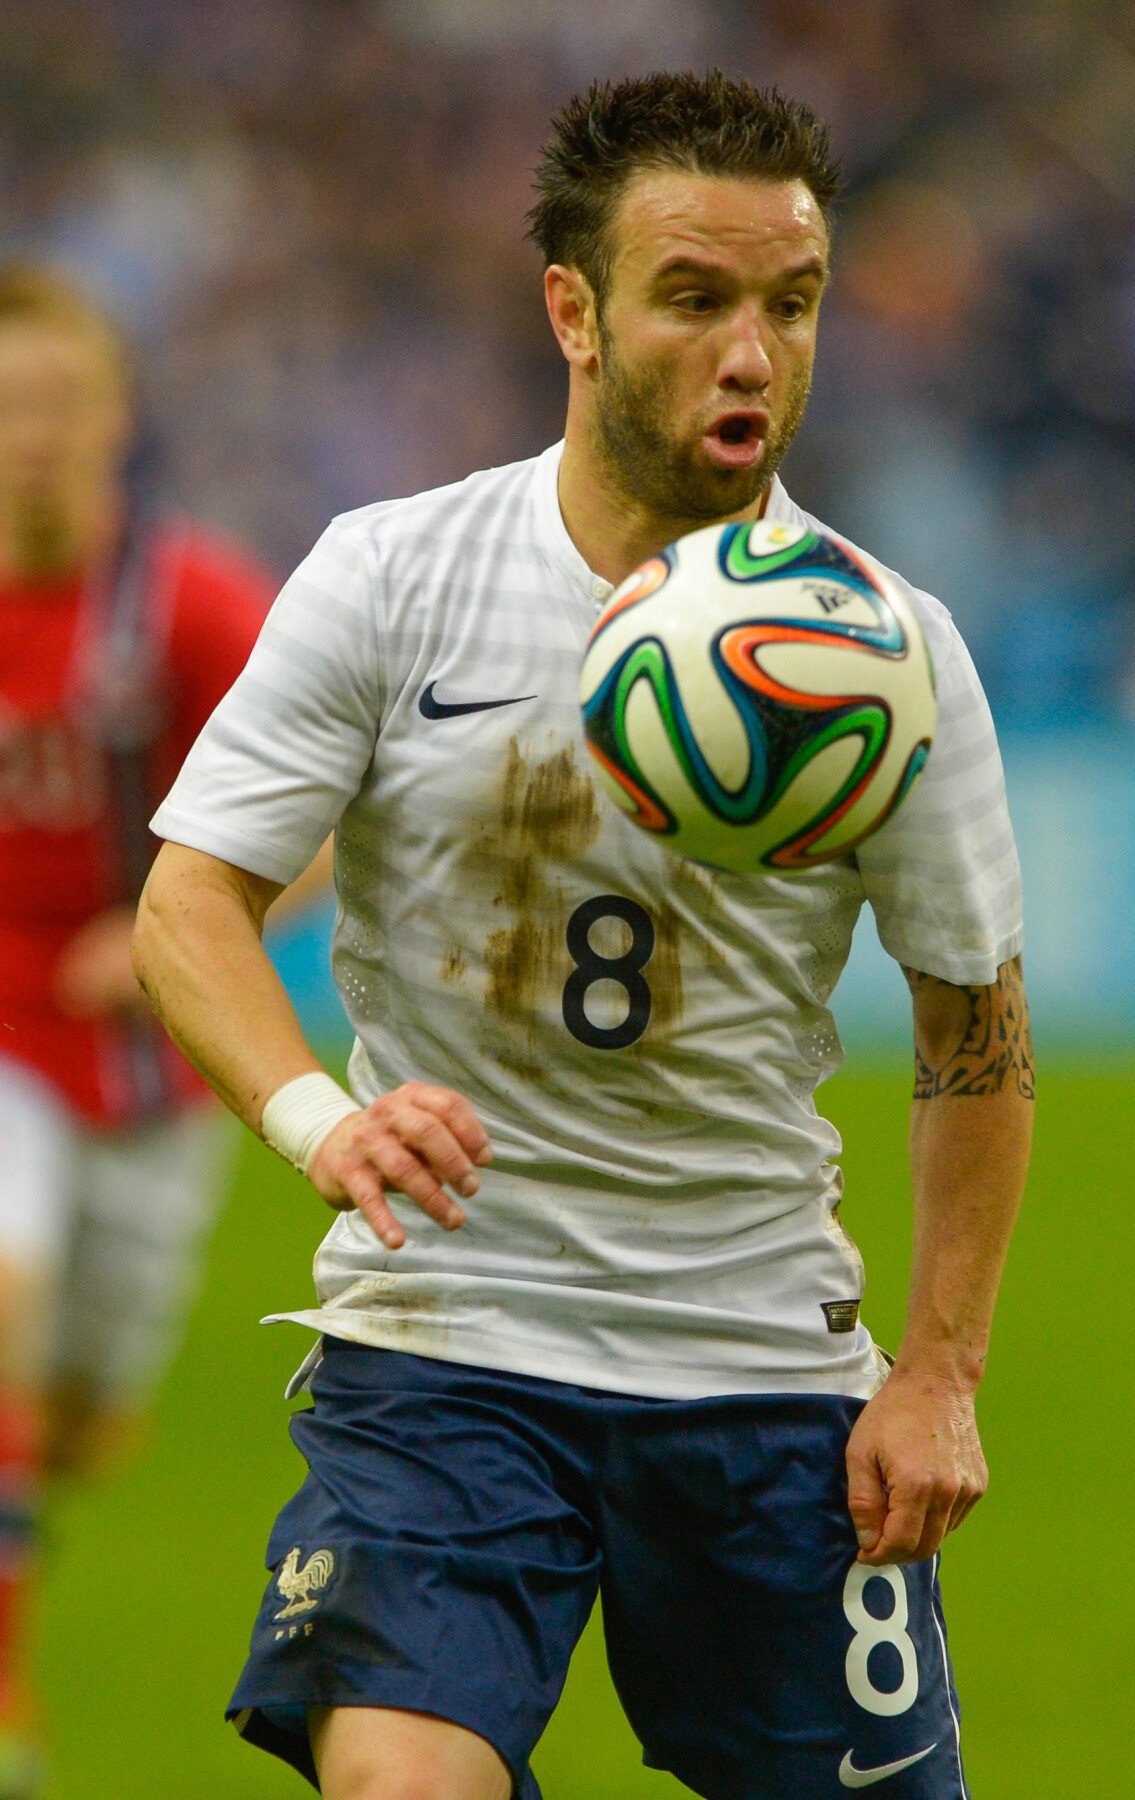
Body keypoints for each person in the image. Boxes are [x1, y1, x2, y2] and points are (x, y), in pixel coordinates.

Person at [133, 71, 1034, 1800]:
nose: (753, 353)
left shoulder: (890, 659)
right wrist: (324, 1121)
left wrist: (938, 1377)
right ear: (574, 311)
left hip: (762, 1365)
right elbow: (192, 904)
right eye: (696, 299)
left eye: (791, 302)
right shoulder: (395, 574)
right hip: (448, 1342)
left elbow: (974, 1039)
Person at [0, 262, 330, 1798]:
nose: (32, 438)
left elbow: (324, 812)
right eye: (8, 410)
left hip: (142, 1074)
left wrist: (171, 940)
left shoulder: (186, 600)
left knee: (80, 1424)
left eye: (60, 403)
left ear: (119, 419)